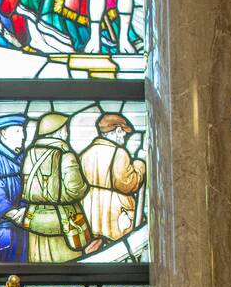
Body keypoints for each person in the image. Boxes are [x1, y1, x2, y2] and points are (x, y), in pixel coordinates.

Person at [9, 112, 90, 262]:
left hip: (34, 220)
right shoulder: (65, 154)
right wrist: (82, 189)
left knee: (38, 260)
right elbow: (75, 190)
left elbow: (25, 189)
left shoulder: (30, 153)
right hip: (62, 223)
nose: (67, 132)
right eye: (65, 128)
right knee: (66, 267)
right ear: (58, 130)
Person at [80, 112, 146, 243]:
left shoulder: (86, 154)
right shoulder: (118, 153)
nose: (124, 138)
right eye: (124, 133)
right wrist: (140, 163)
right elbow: (127, 184)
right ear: (118, 130)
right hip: (115, 215)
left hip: (91, 213)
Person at [0, 114, 27, 261]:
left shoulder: (23, 156)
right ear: (4, 133)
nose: (23, 136)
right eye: (18, 131)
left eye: (23, 131)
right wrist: (12, 213)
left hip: (24, 221)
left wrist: (27, 210)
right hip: (2, 228)